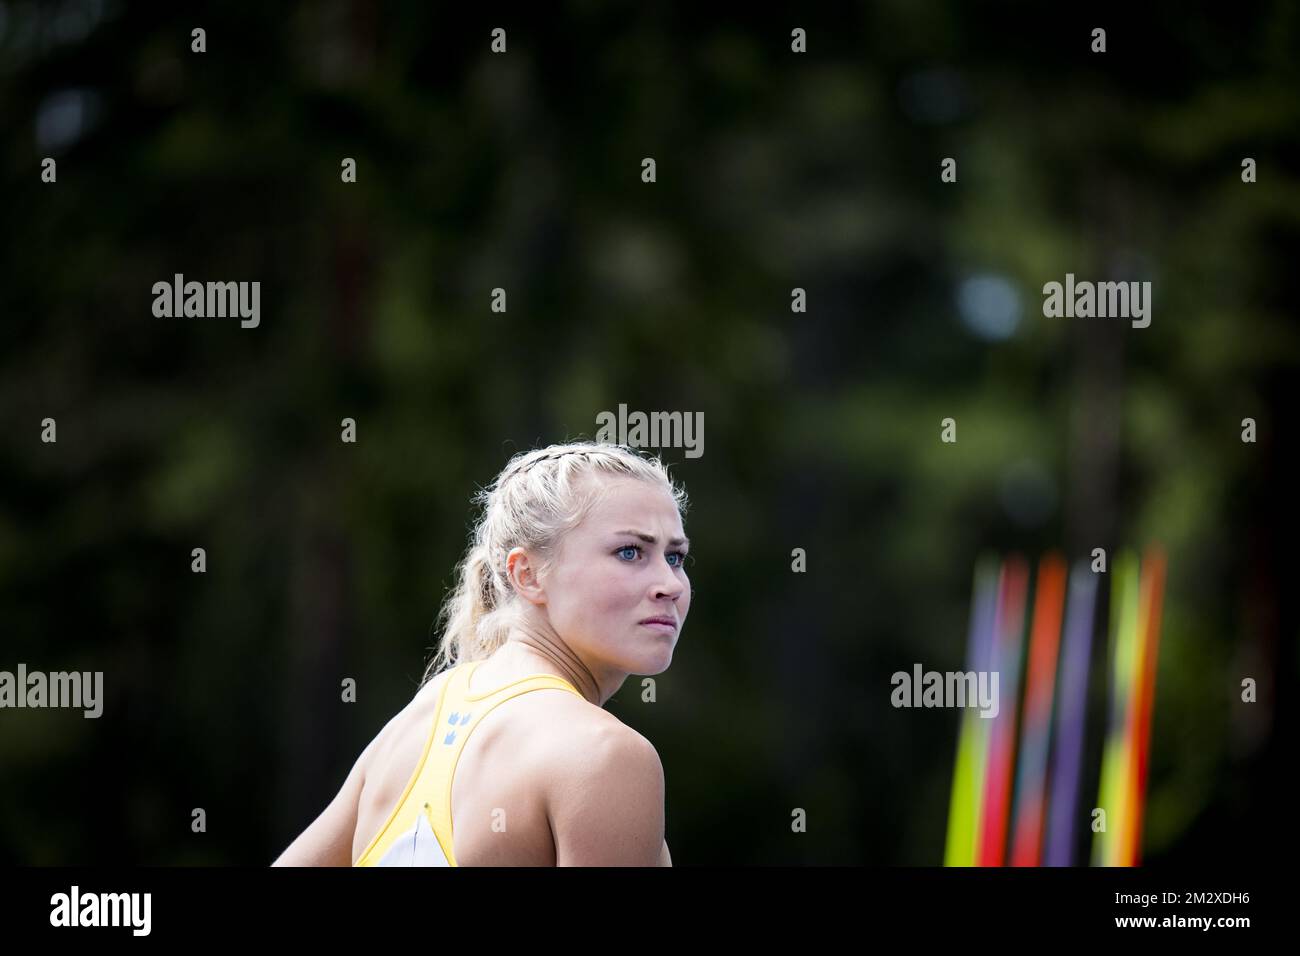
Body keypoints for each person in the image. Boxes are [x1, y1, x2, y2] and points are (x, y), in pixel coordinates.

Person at [272, 441, 690, 866]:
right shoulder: (604, 755)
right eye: (629, 552)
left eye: (675, 556)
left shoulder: (421, 718)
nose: (670, 584)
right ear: (527, 575)